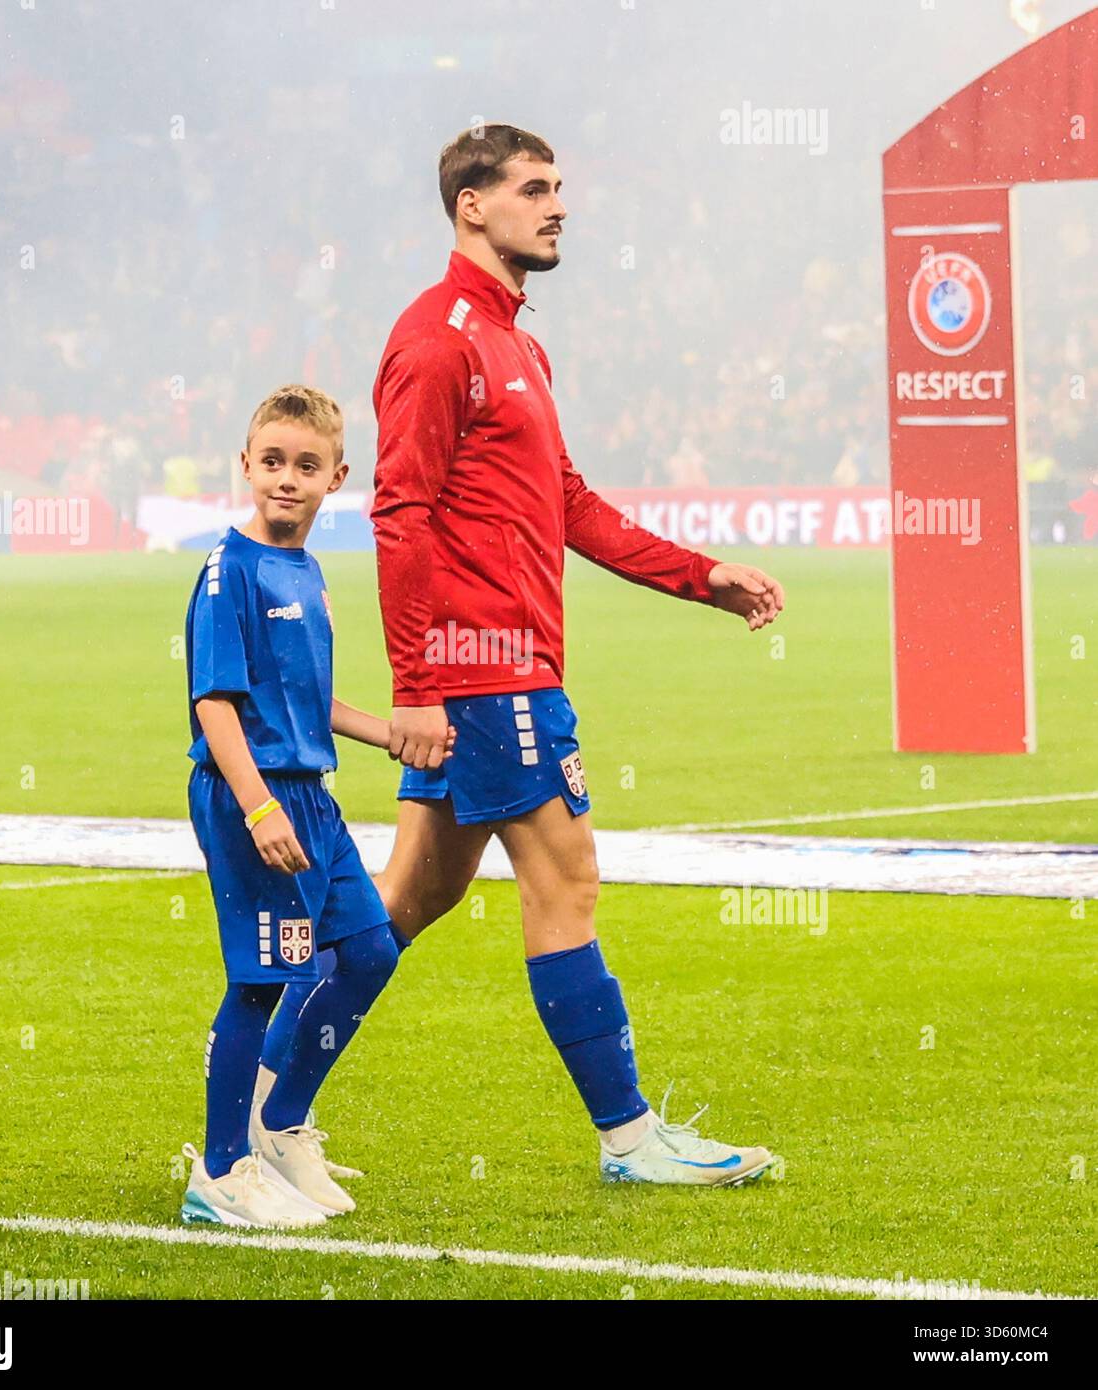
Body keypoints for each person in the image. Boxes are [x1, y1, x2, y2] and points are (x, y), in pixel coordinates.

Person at [268, 125, 786, 1187]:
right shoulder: (437, 340)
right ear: (471, 204)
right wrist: (418, 686)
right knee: (569, 882)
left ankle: (264, 1115)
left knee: (404, 901)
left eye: (558, 189)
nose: (558, 207)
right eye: (535, 189)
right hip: (485, 669)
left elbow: (569, 505)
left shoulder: (517, 343)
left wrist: (702, 576)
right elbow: (400, 514)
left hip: (500, 667)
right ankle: (631, 1140)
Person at [180, 384, 426, 1228]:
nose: (287, 478)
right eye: (273, 461)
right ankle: (219, 1173)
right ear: (245, 465)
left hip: (310, 797)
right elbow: (216, 706)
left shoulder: (308, 570)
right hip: (253, 797)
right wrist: (256, 808)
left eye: (306, 466)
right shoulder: (228, 571)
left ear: (336, 478)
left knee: (366, 951)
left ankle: (281, 1125)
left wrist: (383, 732)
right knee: (259, 983)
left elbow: (303, 697)